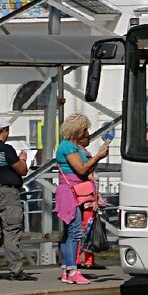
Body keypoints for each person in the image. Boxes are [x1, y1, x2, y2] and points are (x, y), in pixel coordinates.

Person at [0, 116, 37, 281]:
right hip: (8, 194)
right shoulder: (6, 150)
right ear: (5, 130)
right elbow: (22, 170)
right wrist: (24, 159)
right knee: (11, 232)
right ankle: (16, 270)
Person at [54, 113, 110, 285]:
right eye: (85, 129)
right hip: (70, 194)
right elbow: (81, 168)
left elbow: (86, 168)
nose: (87, 133)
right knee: (75, 232)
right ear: (77, 130)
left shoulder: (72, 147)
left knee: (69, 232)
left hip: (73, 193)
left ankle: (67, 270)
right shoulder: (68, 147)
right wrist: (98, 156)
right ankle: (72, 270)